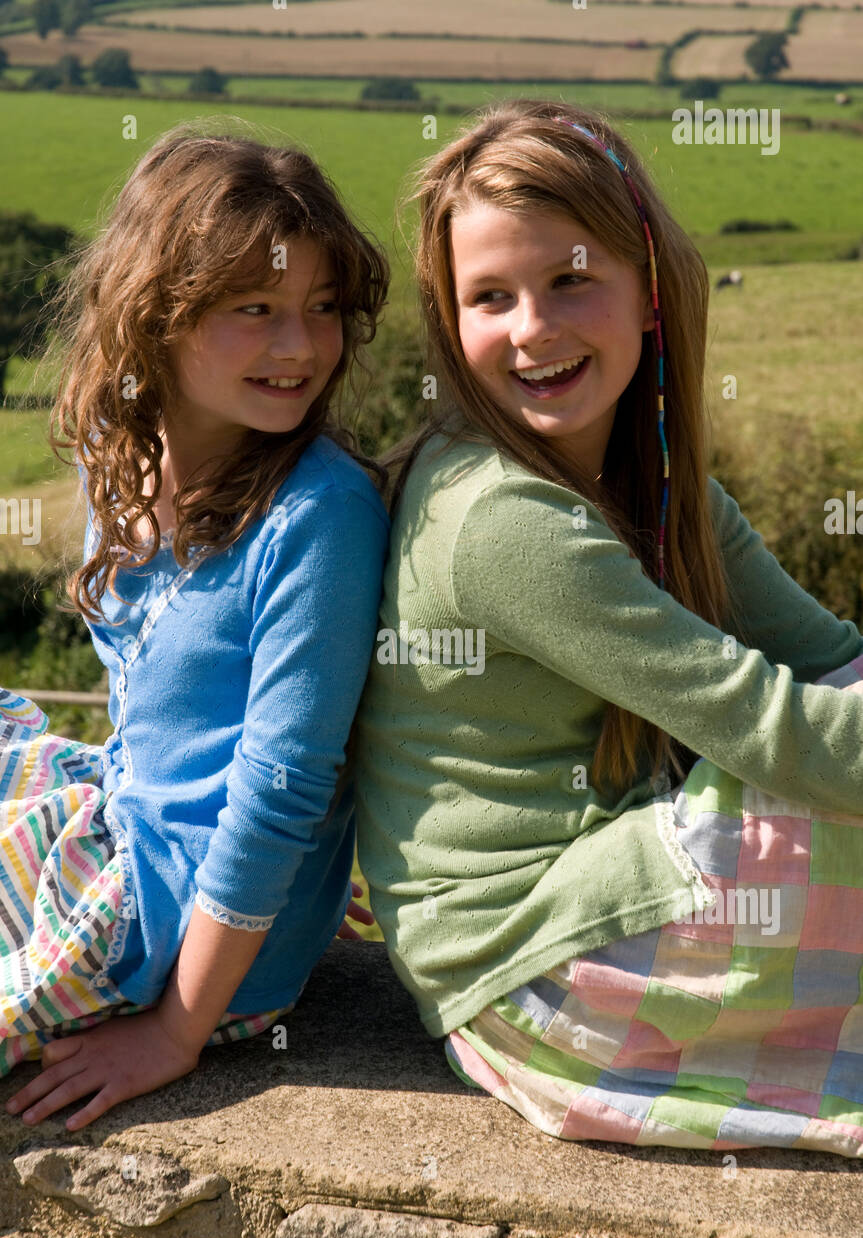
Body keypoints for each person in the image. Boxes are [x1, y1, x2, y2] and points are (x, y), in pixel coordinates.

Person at [355, 100, 863, 1156]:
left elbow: (825, 658)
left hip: (614, 913)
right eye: (488, 296)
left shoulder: (661, 480)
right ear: (448, 322)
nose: (531, 327)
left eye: (568, 279)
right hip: (537, 981)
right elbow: (770, 727)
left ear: (645, 289)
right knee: (813, 792)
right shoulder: (501, 518)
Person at [1, 127, 389, 1132]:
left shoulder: (320, 516)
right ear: (152, 317)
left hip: (185, 935)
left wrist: (173, 1031)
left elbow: (279, 791)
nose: (299, 346)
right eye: (254, 309)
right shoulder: (116, 457)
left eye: (320, 310)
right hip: (129, 828)